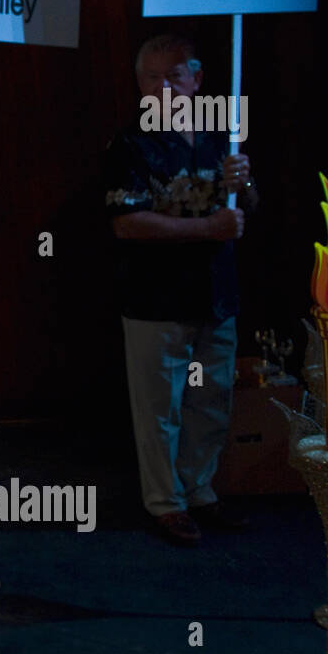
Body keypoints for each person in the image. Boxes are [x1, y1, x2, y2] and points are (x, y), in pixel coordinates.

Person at [105, 34, 257, 546]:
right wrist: (206, 229)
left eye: (173, 75)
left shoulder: (222, 139)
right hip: (155, 300)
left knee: (210, 401)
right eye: (151, 78)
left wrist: (247, 183)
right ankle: (165, 502)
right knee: (159, 410)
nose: (163, 87)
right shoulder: (131, 143)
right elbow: (126, 222)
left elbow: (244, 212)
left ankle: (201, 491)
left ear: (196, 79)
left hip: (216, 294)